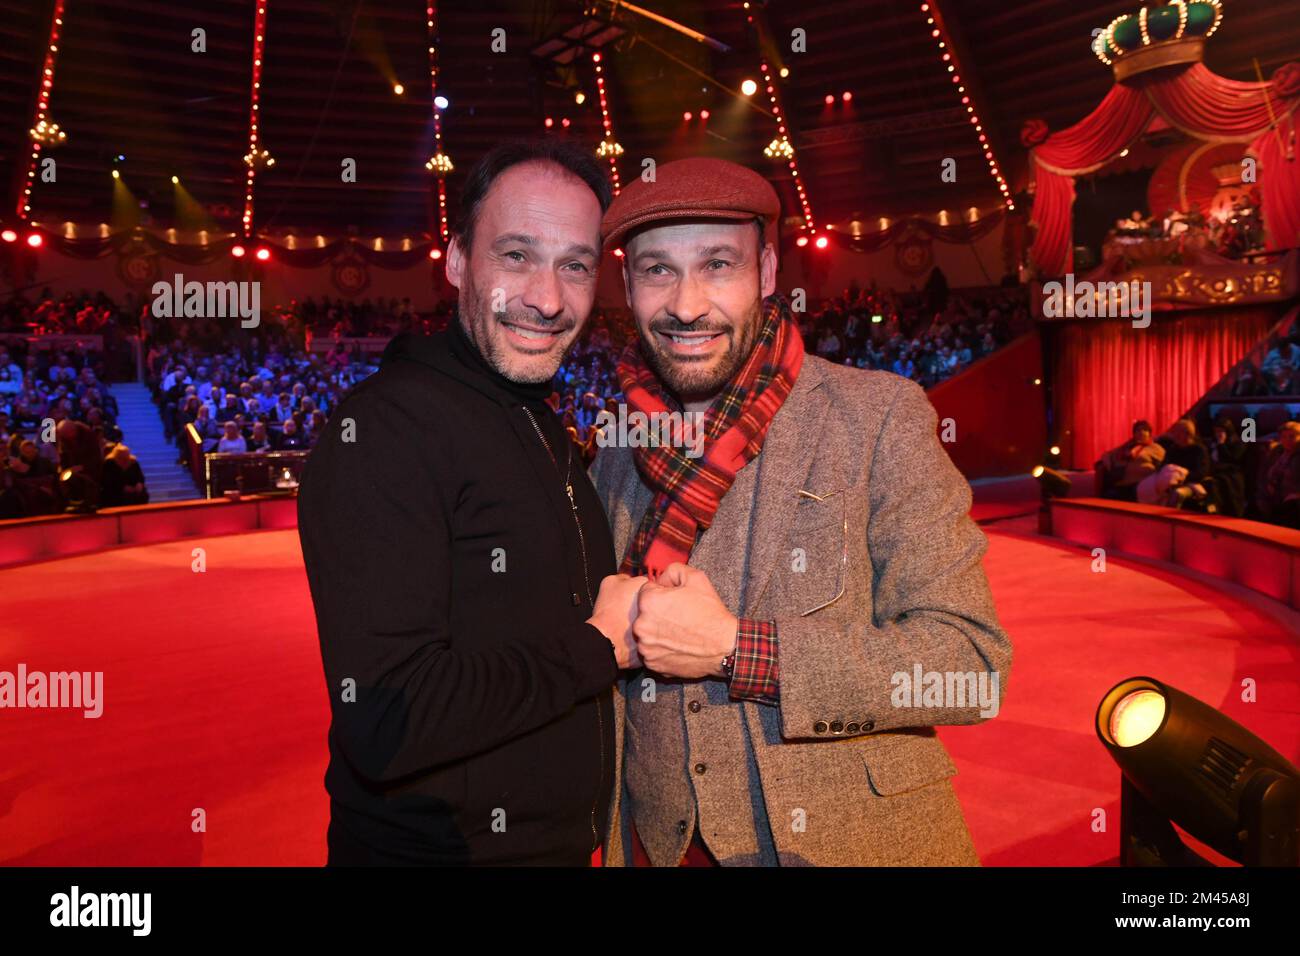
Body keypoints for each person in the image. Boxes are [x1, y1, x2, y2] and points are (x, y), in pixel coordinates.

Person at [590, 157, 1012, 867]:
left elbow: (970, 665)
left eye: (717, 264)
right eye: (658, 270)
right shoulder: (613, 445)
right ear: (628, 285)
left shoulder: (878, 416)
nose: (687, 304)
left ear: (765, 272)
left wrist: (735, 650)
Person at [297, 140, 642, 866]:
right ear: (456, 261)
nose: (548, 299)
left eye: (575, 265)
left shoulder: (535, 417)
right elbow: (385, 717)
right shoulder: (386, 429)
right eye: (516, 255)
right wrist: (597, 645)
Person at [1096, 419, 1165, 501]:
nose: (1141, 432)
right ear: (1134, 434)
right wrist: (1110, 467)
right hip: (1121, 484)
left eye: (1145, 430)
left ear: (1149, 434)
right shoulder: (1126, 447)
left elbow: (1165, 464)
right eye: (1138, 430)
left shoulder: (1155, 448)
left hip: (1140, 486)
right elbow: (1106, 455)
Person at [100, 443, 148, 507]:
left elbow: (140, 477)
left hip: (133, 493)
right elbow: (107, 482)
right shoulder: (109, 464)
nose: (125, 461)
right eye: (121, 458)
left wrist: (139, 484)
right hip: (116, 494)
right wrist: (122, 488)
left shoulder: (133, 463)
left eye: (126, 458)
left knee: (142, 494)